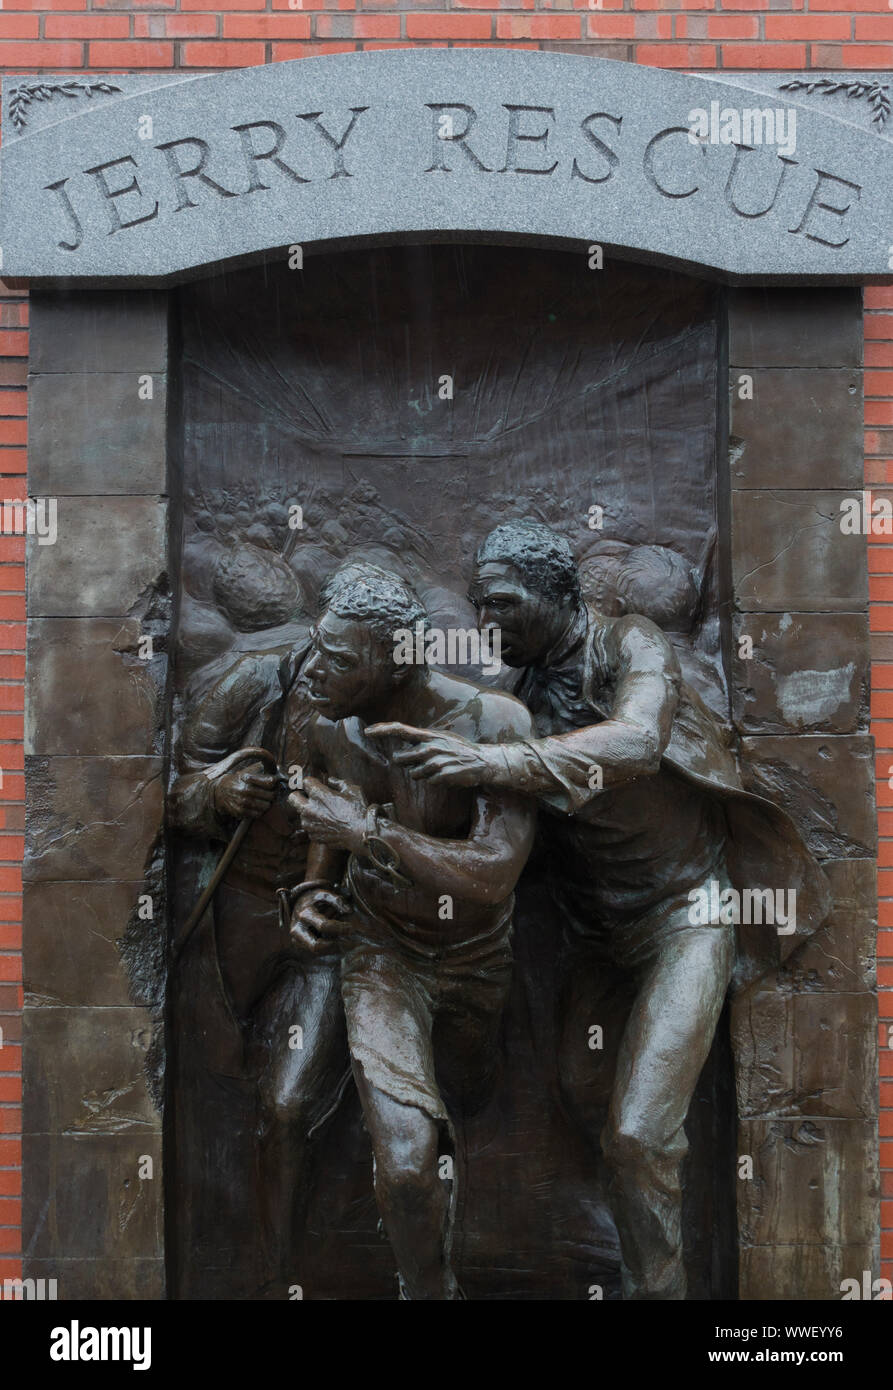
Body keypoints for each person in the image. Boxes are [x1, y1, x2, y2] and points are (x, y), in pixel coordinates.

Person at [369, 519, 830, 1301]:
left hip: (686, 911)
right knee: (588, 1098)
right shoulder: (509, 701)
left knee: (637, 1133)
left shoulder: (629, 643)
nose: (489, 624)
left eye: (505, 604)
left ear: (558, 594)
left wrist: (496, 763)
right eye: (480, 606)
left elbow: (637, 742)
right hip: (596, 933)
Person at [285, 567, 536, 1300]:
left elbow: (493, 873)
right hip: (380, 952)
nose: (313, 672)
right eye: (315, 649)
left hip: (475, 957)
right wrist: (310, 892)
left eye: (337, 660)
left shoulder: (492, 726)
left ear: (395, 661)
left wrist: (368, 836)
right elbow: (330, 822)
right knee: (404, 1160)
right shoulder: (328, 720)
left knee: (473, 1091)